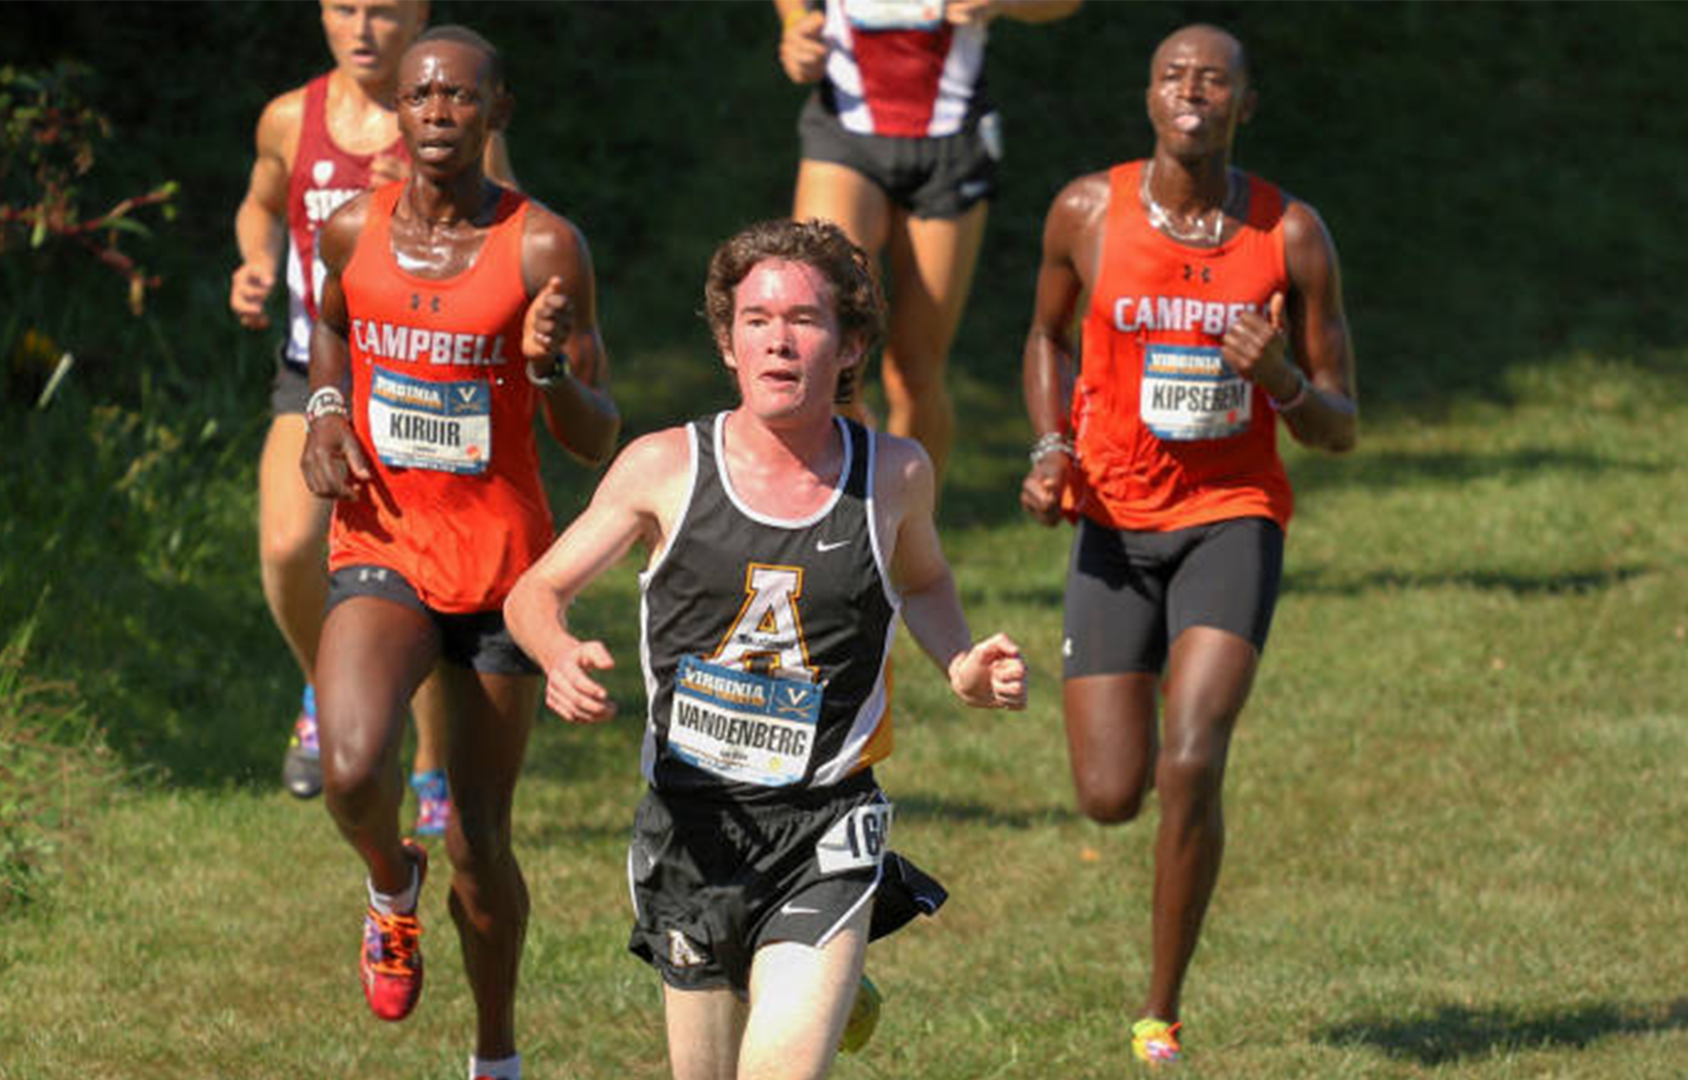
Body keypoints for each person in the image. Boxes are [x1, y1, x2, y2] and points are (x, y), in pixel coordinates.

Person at [505, 218, 1027, 1080]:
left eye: (805, 320)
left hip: (825, 818)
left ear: (851, 341)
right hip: (689, 825)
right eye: (755, 320)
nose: (778, 340)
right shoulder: (664, 467)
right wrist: (556, 652)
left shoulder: (892, 475)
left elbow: (925, 580)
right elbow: (533, 592)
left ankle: (816, 976)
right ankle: (813, 988)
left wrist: (962, 664)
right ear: (726, 342)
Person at [1016, 24, 1358, 1067]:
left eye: (1215, 79)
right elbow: (1046, 336)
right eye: (1174, 75)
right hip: (1116, 523)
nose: (1193, 91)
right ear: (1150, 97)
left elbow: (1339, 423)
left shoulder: (1290, 234)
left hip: (1230, 516)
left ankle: (1159, 1014)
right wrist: (1049, 446)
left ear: (1246, 104)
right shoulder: (1089, 210)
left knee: (1193, 759)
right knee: (1110, 794)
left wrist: (1284, 380)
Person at [301, 25, 619, 1080]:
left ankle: (496, 1057)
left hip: (501, 572)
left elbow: (595, 434)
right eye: (420, 96)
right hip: (382, 540)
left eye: (460, 98)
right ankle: (393, 886)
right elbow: (333, 331)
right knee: (351, 769)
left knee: (483, 841)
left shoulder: (542, 247)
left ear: (497, 113)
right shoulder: (352, 231)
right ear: (395, 111)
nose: (438, 114)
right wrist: (328, 412)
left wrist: (550, 376)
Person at [229, 0, 514, 823]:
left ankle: (430, 769)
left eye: (384, 12)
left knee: (422, 582)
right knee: (287, 546)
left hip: (422, 380)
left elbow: (513, 226)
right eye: (343, 8)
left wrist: (435, 193)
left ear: (419, 14)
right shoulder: (292, 117)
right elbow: (259, 203)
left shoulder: (448, 113)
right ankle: (326, 687)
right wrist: (253, 263)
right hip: (311, 368)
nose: (362, 30)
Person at [773, 0, 1081, 484]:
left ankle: (909, 537)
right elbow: (798, 19)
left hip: (950, 144)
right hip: (845, 132)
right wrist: (795, 24)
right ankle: (846, 503)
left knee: (914, 372)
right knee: (821, 338)